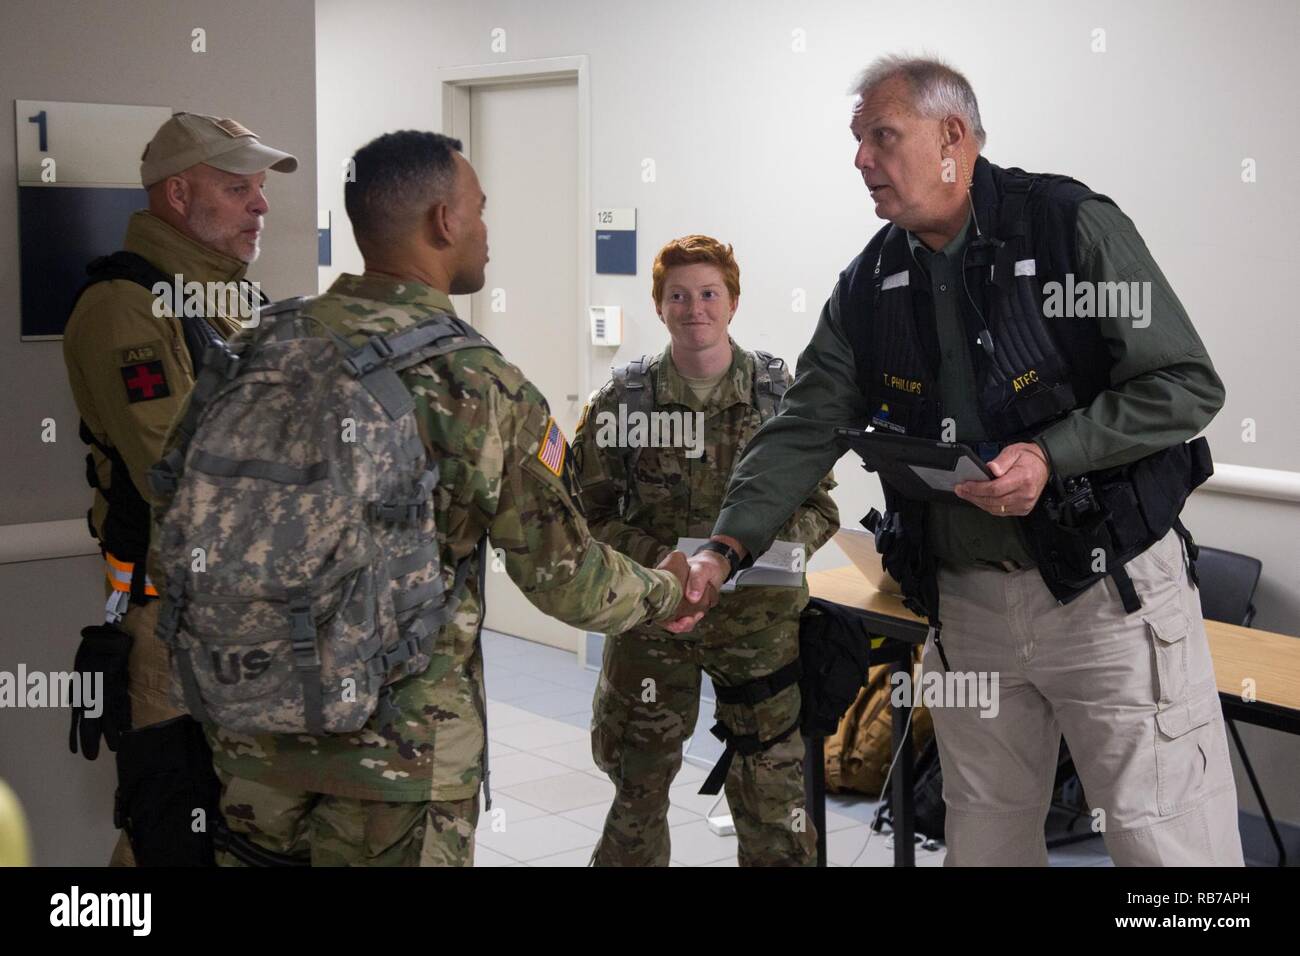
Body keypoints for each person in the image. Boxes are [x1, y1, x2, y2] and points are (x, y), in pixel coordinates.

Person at [679, 55, 1243, 866]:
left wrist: (1053, 454)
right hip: (965, 614)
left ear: (953, 137)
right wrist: (725, 546)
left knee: (1165, 841)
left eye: (881, 136)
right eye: (856, 140)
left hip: (1105, 599)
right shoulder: (874, 280)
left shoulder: (1067, 228)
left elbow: (1186, 385)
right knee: (979, 836)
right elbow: (806, 423)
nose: (860, 160)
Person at [199, 130, 714, 867]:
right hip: (398, 759)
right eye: (479, 209)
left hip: (250, 738)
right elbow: (565, 577)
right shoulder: (478, 383)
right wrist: (667, 591)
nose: (485, 230)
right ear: (443, 221)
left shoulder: (260, 343)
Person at [62, 112, 297, 865]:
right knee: (173, 833)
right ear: (176, 195)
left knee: (246, 833)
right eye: (238, 189)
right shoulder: (125, 308)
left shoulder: (241, 303)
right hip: (177, 628)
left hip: (255, 621)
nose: (261, 206)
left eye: (260, 189)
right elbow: (187, 476)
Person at [574, 235, 839, 866]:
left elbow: (819, 508)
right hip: (653, 619)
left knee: (773, 797)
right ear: (660, 306)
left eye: (709, 294)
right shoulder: (623, 401)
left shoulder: (782, 397)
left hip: (759, 628)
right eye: (679, 296)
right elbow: (589, 513)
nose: (696, 308)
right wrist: (668, 564)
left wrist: (738, 557)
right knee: (636, 791)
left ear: (733, 302)